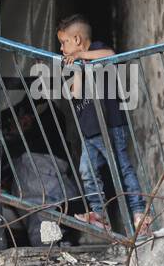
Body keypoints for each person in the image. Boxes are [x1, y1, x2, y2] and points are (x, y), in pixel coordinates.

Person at [55, 13, 149, 235]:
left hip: (110, 128)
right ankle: (99, 215)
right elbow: (76, 93)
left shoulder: (97, 49)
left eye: (63, 43)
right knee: (86, 171)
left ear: (77, 40)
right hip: (90, 132)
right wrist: (77, 68)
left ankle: (139, 213)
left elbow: (111, 54)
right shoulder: (75, 64)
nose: (61, 49)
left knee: (122, 169)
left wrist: (82, 56)